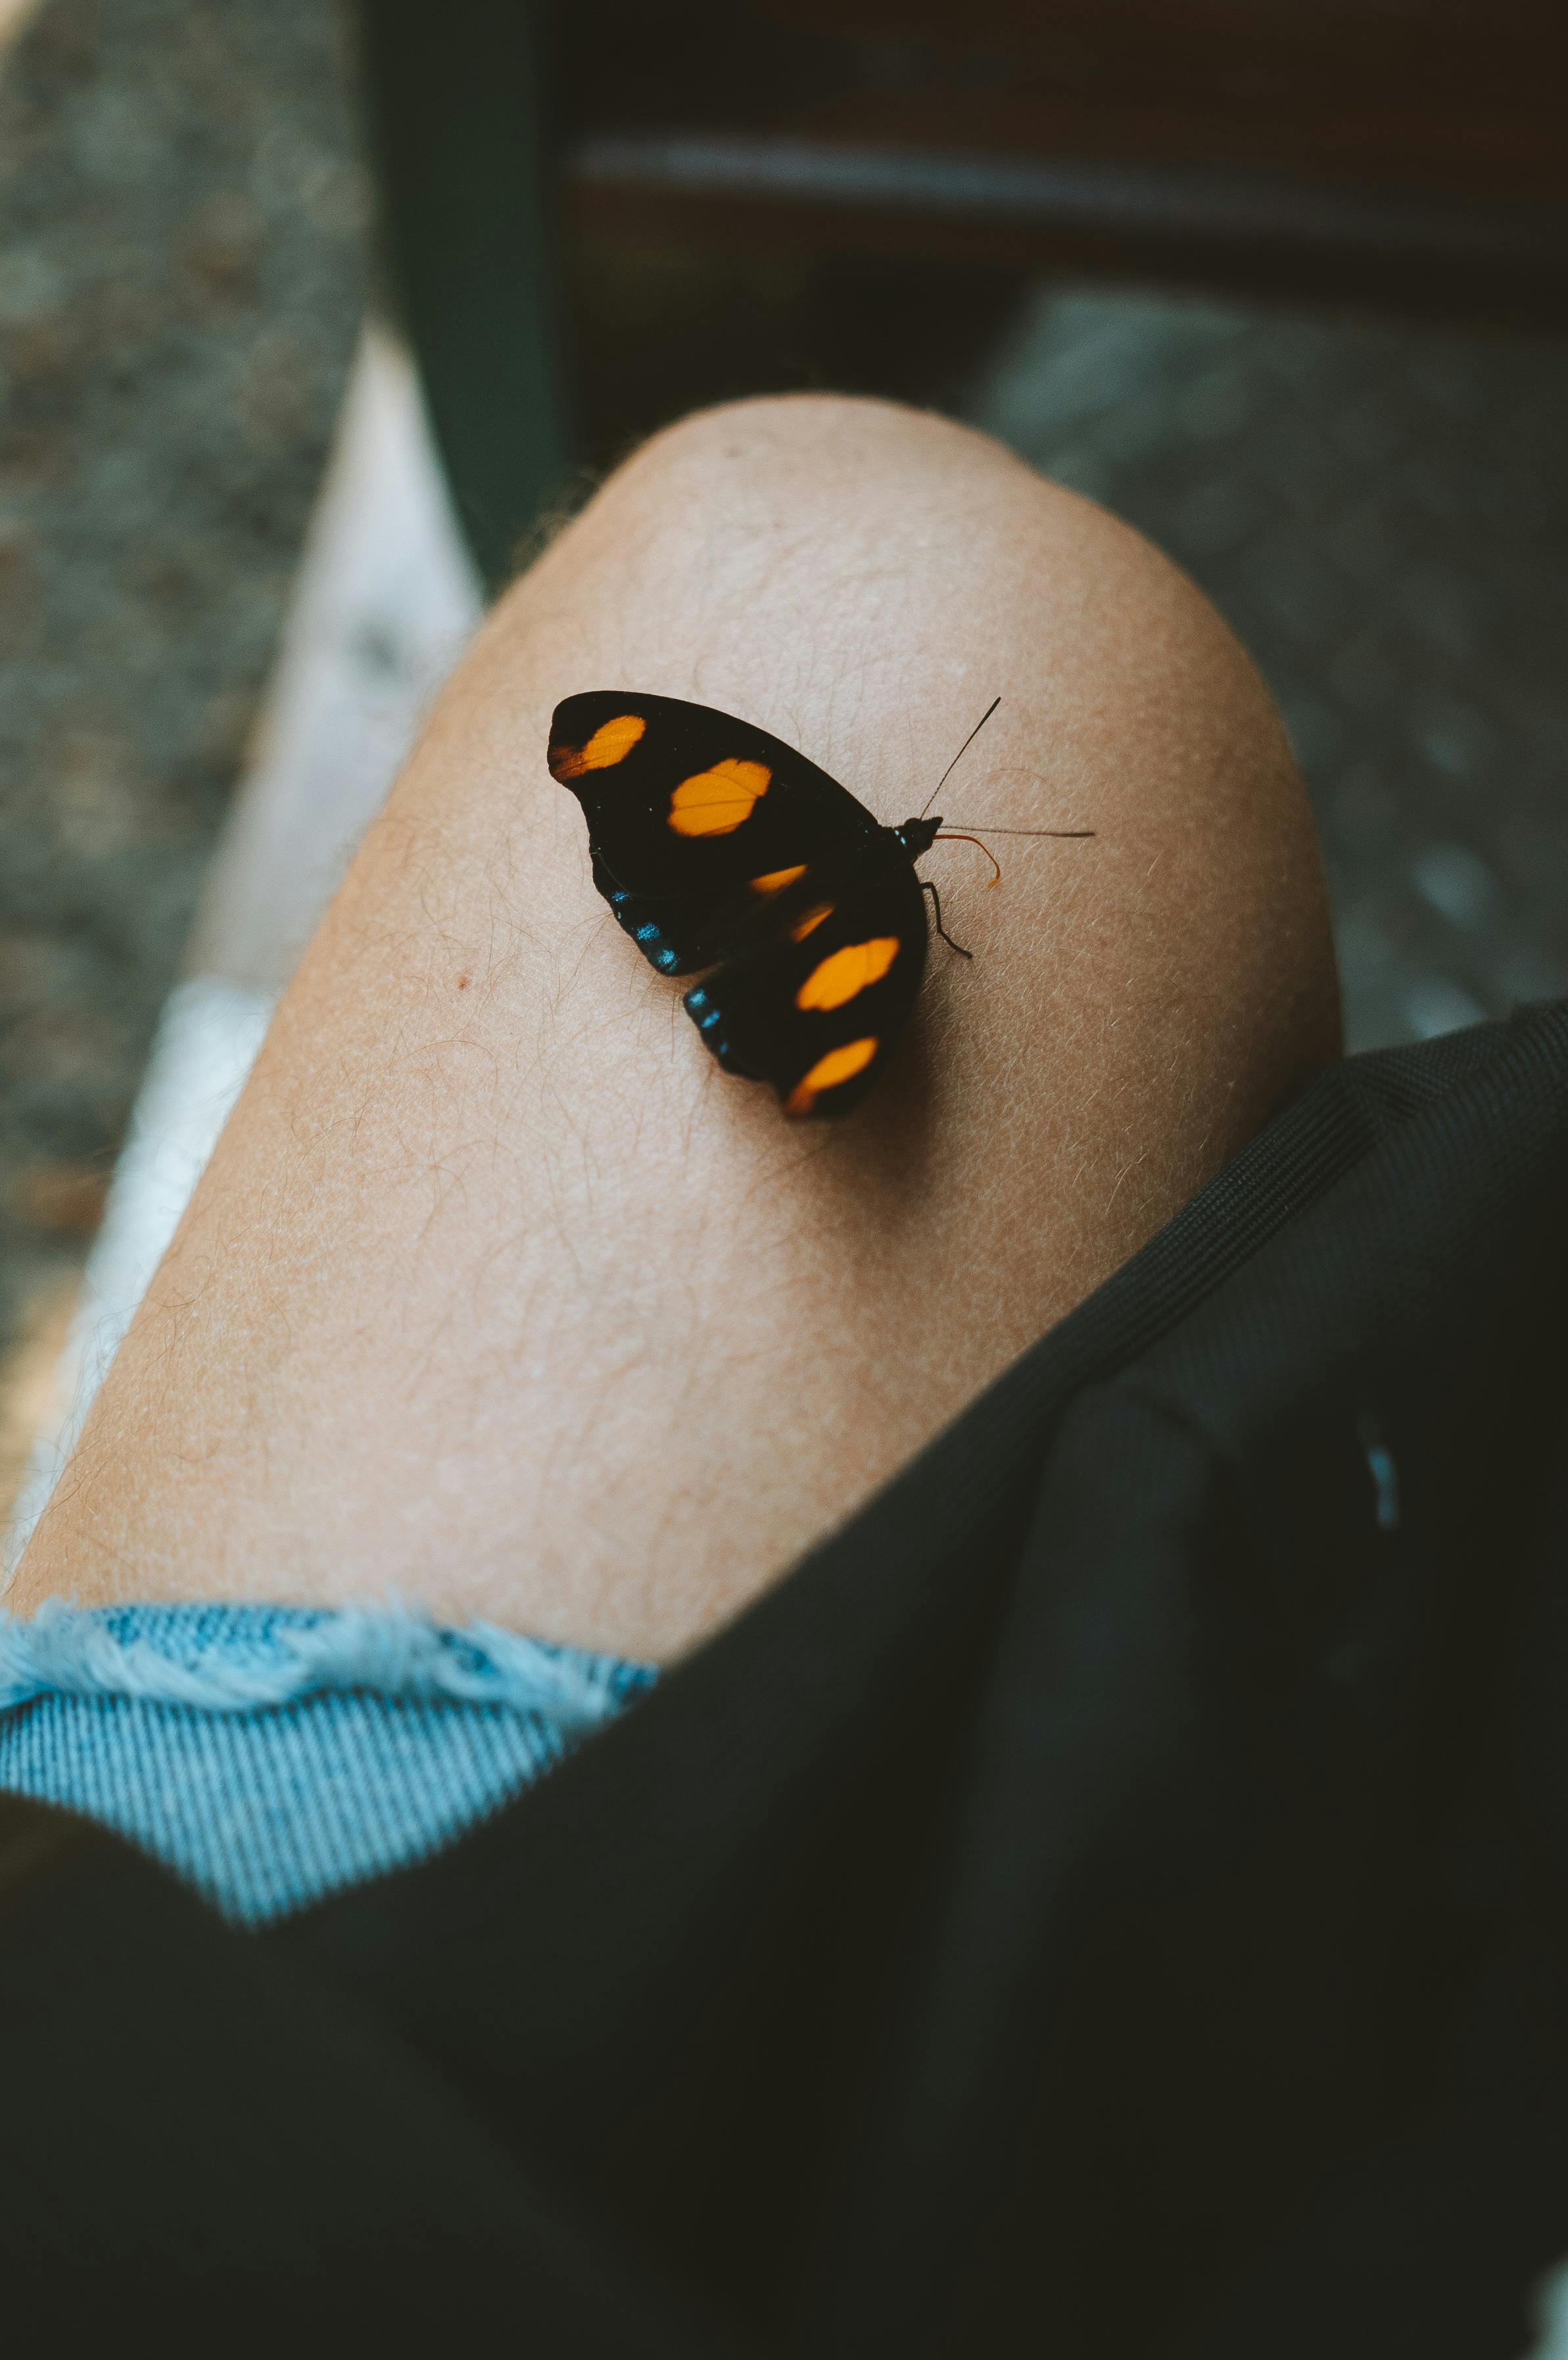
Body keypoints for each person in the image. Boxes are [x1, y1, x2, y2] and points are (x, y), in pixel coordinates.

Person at [3, 397, 1564, 2354]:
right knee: (855, 539)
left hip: (295, 2007)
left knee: (824, 534)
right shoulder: (896, 922)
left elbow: (656, 763)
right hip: (355, 2052)